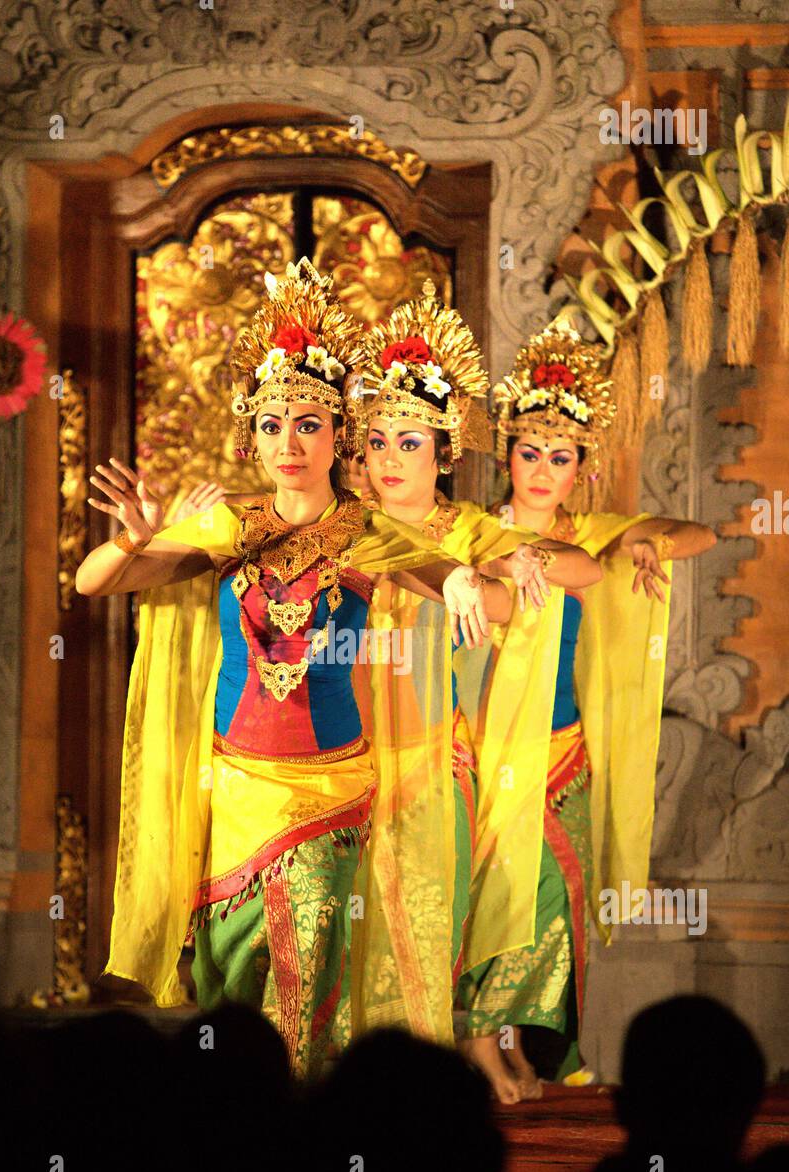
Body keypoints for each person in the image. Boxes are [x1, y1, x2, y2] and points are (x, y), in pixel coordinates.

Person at [75, 258, 504, 1078]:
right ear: (253, 437)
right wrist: (134, 536)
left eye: (308, 424)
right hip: (231, 789)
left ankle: (299, 1128)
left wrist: (458, 579)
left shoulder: (365, 531)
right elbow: (97, 582)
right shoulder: (228, 526)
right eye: (272, 426)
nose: (288, 444)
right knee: (229, 987)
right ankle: (243, 1121)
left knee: (304, 980)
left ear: (339, 435)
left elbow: (432, 567)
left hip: (328, 789)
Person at [340, 282, 602, 1081]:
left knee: (435, 919)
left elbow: (558, 577)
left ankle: (423, 1084)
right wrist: (448, 575)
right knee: (353, 931)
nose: (390, 458)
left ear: (444, 452)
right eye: (377, 441)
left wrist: (506, 563)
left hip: (436, 756)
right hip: (343, 761)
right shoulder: (341, 524)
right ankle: (353, 1087)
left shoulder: (466, 527)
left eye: (408, 442)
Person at [455, 322, 717, 1098]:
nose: (542, 471)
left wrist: (648, 539)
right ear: (506, 455)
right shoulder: (471, 534)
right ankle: (479, 1041)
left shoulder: (592, 539)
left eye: (560, 458)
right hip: (485, 748)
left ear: (581, 468)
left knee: (555, 903)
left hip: (564, 747)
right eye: (530, 453)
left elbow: (699, 535)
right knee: (493, 896)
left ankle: (515, 1043)